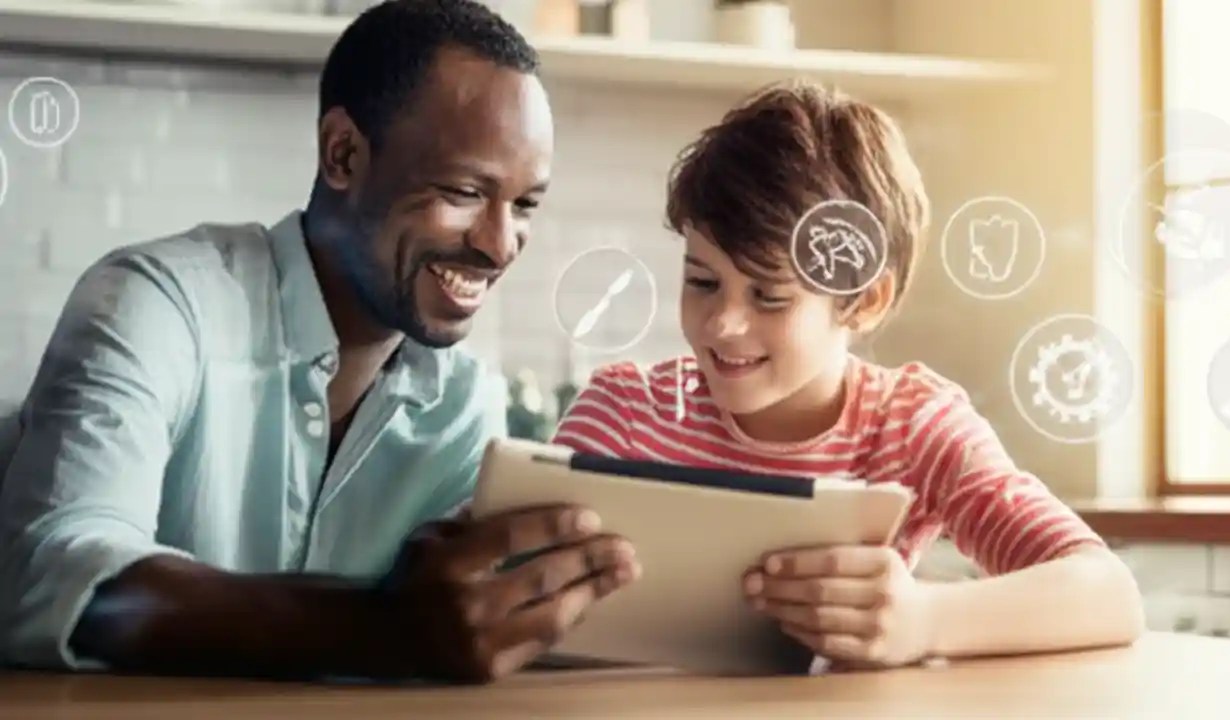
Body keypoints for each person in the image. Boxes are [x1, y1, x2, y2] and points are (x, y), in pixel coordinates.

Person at [0, 0, 639, 682]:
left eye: (525, 205)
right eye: (463, 190)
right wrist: (377, 629)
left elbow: (455, 633)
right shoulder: (157, 304)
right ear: (342, 154)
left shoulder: (463, 402)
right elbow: (50, 576)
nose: (499, 243)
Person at [551, 81, 1145, 670]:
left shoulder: (912, 426)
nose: (724, 324)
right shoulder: (625, 412)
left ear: (865, 301)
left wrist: (925, 621)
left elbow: (1108, 594)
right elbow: (502, 592)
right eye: (702, 282)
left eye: (771, 297)